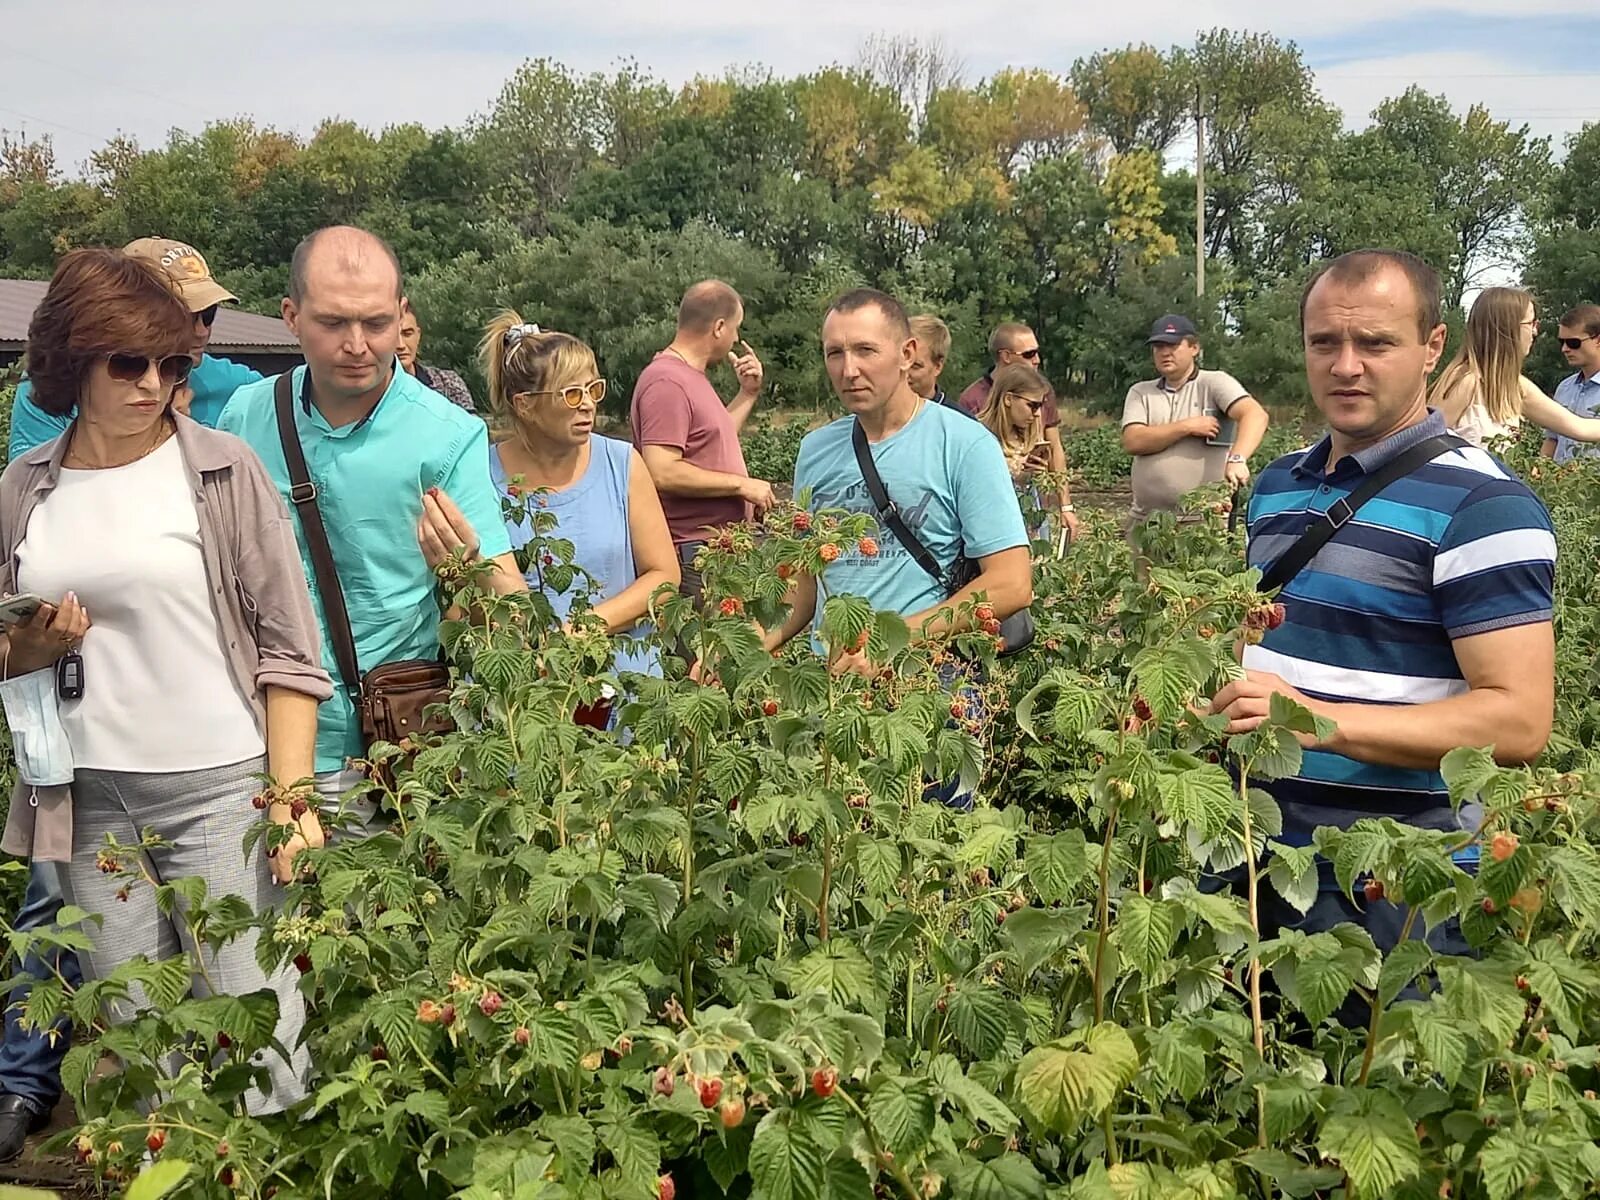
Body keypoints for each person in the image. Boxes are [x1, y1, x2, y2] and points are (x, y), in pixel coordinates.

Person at [0, 248, 333, 1114]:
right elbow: (6, 657)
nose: (154, 383)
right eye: (128, 363)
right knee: (143, 1048)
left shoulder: (222, 469)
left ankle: (277, 1164)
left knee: (263, 1039)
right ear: (72, 362)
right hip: (87, 800)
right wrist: (30, 647)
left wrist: (290, 799)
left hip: (221, 789)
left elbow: (290, 648)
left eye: (173, 363)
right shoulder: (24, 488)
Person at [1210, 249, 1555, 949]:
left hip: (1389, 884)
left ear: (1432, 346)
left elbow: (1520, 723)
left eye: (1375, 343)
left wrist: (1321, 721)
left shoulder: (1484, 505)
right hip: (1254, 855)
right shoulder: (1277, 486)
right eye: (1324, 342)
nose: (1346, 366)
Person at [217, 226, 524, 812]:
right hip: (254, 738)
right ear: (291, 317)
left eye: (376, 323)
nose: (357, 345)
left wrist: (470, 572)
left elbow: (509, 604)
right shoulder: (245, 416)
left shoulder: (447, 435)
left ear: (402, 315)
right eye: (333, 323)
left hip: (385, 748)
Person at [763, 288, 1031, 669]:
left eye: (865, 350)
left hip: (928, 677)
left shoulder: (964, 443)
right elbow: (802, 587)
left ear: (906, 354)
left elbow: (1012, 583)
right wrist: (739, 650)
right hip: (834, 682)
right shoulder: (815, 451)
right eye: (834, 353)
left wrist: (890, 641)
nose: (848, 370)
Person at [480, 312, 678, 686]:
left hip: (624, 686)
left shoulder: (622, 464)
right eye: (572, 393)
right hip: (526, 693)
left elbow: (664, 577)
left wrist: (581, 632)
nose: (588, 404)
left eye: (593, 389)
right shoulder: (482, 477)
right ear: (525, 404)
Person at [8, 237, 261, 459]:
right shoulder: (51, 387)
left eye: (208, 314)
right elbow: (39, 487)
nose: (201, 330)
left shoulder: (243, 387)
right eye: (185, 313)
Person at [630, 280, 773, 598]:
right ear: (719, 327)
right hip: (695, 555)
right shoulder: (667, 382)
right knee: (711, 634)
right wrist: (741, 485)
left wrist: (748, 394)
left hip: (716, 550)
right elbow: (662, 470)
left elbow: (713, 440)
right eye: (736, 328)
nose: (736, 338)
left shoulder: (689, 377)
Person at [1120, 314, 1269, 524]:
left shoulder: (1214, 383)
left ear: (1194, 348)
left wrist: (1237, 459)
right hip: (1146, 521)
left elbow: (1255, 415)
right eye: (1158, 346)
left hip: (1204, 521)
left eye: (1173, 345)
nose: (1165, 353)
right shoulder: (1141, 392)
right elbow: (1133, 441)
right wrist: (1187, 427)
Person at [1431, 288, 1600, 452]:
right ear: (1506, 328)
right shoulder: (1465, 380)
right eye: (1531, 323)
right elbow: (1423, 442)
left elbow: (1579, 427)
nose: (1535, 331)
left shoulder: (1515, 386)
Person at [958, 322, 1079, 540]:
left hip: (1034, 509)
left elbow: (1055, 448)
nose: (1037, 360)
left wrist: (1065, 505)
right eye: (1029, 354)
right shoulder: (972, 401)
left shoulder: (1040, 390)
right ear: (1005, 356)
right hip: (994, 517)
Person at [976, 363, 1054, 534]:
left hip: (1031, 526)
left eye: (1041, 406)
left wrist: (1038, 476)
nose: (1037, 413)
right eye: (1032, 405)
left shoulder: (1029, 436)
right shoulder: (977, 437)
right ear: (1008, 399)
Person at [1539, 303, 1600, 462]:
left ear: (1598, 340)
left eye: (1573, 343)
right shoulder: (1564, 387)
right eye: (1562, 342)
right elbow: (1552, 439)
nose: (1565, 349)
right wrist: (1540, 470)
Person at [398, 301, 477, 413]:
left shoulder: (448, 384)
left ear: (418, 335)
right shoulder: (373, 395)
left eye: (407, 334)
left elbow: (470, 423)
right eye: (393, 336)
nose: (400, 345)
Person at [908, 314, 963, 413]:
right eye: (900, 363)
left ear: (937, 367)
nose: (905, 372)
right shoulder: (879, 412)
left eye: (915, 366)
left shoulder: (955, 419)